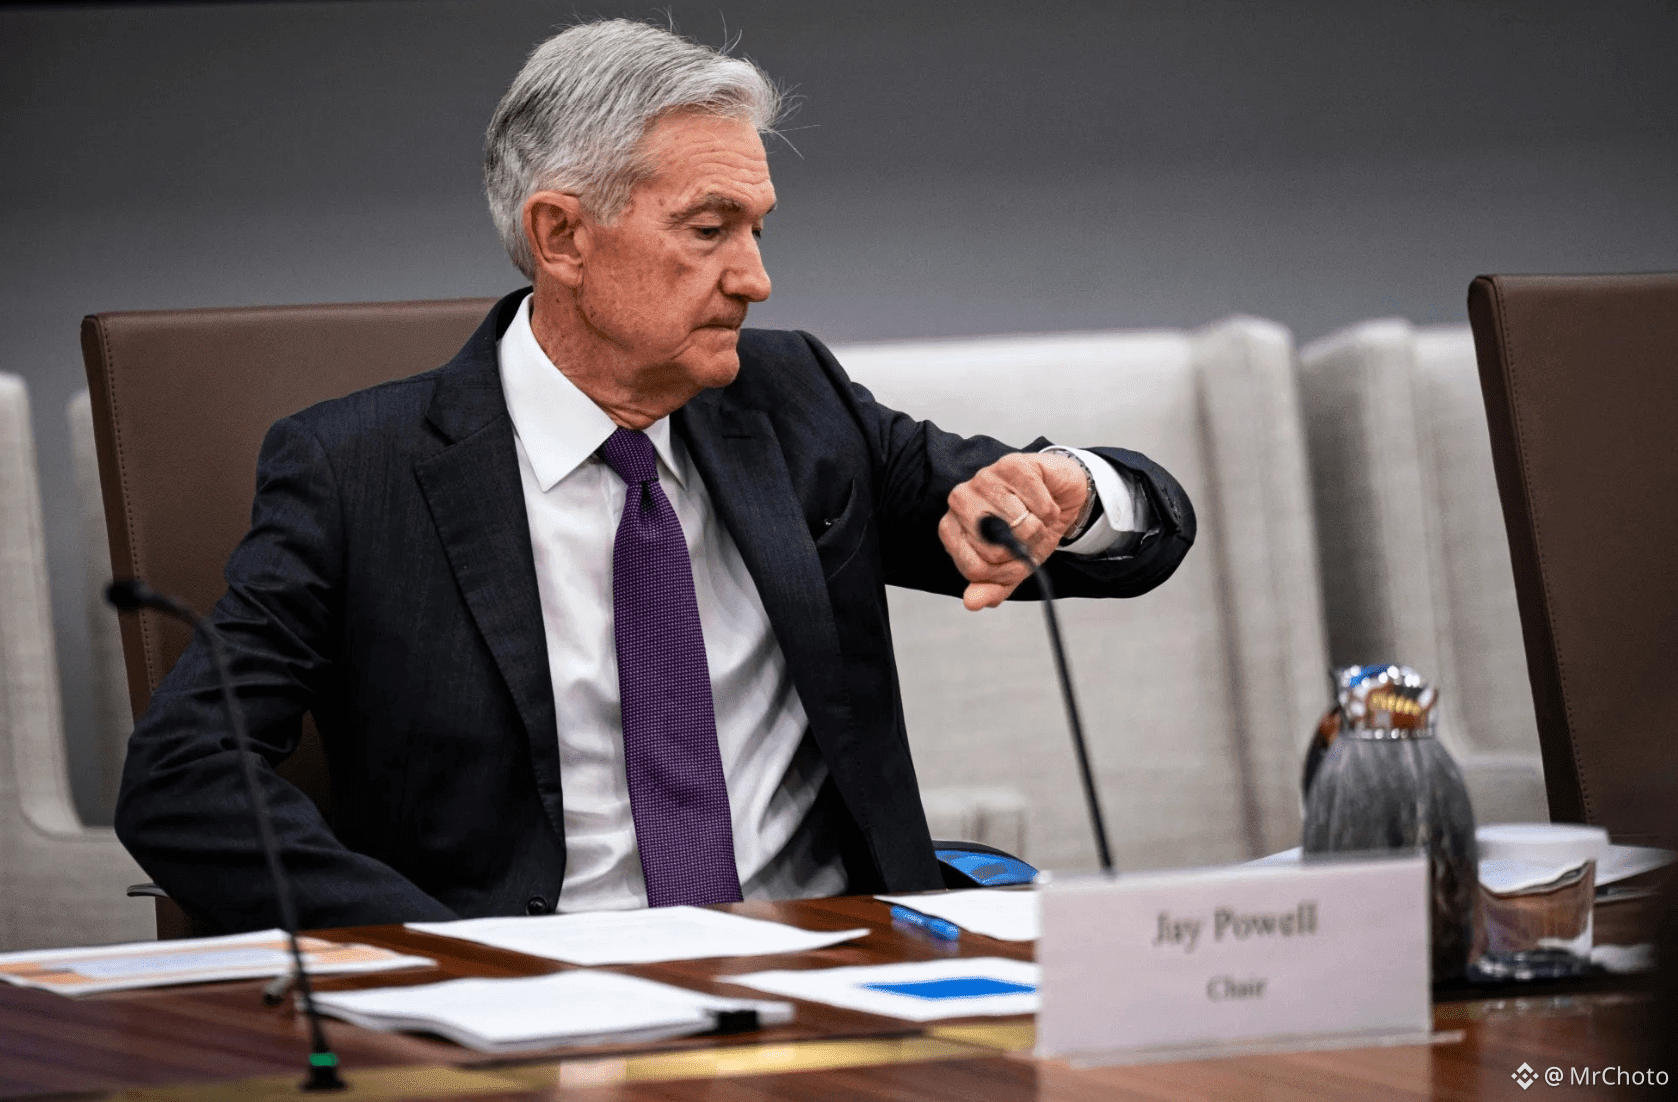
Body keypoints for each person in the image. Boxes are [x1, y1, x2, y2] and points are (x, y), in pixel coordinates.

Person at [114, 19, 1195, 932]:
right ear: (561, 237)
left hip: (832, 967)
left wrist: (1073, 491)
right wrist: (438, 959)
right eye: (710, 229)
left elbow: (1127, 532)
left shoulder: (796, 403)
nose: (756, 278)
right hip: (532, 1003)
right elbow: (183, 777)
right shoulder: (358, 472)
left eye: (758, 229)